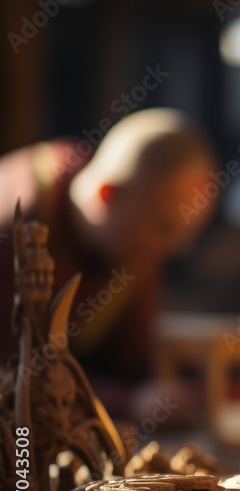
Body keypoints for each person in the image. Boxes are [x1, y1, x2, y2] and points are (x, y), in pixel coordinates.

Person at [0, 108, 218, 418]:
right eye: (163, 228)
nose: (168, 249)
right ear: (107, 195)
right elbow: (15, 377)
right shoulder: (17, 219)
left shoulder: (128, 248)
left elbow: (132, 363)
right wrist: (128, 402)